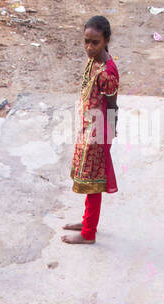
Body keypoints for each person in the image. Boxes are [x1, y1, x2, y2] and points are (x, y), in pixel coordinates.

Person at [63, 16, 119, 245]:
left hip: (98, 131)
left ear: (106, 40)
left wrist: (109, 133)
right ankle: (87, 222)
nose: (89, 47)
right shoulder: (94, 60)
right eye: (86, 41)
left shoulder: (107, 72)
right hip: (89, 127)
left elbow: (113, 105)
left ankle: (88, 234)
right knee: (88, 177)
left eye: (94, 42)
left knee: (94, 180)